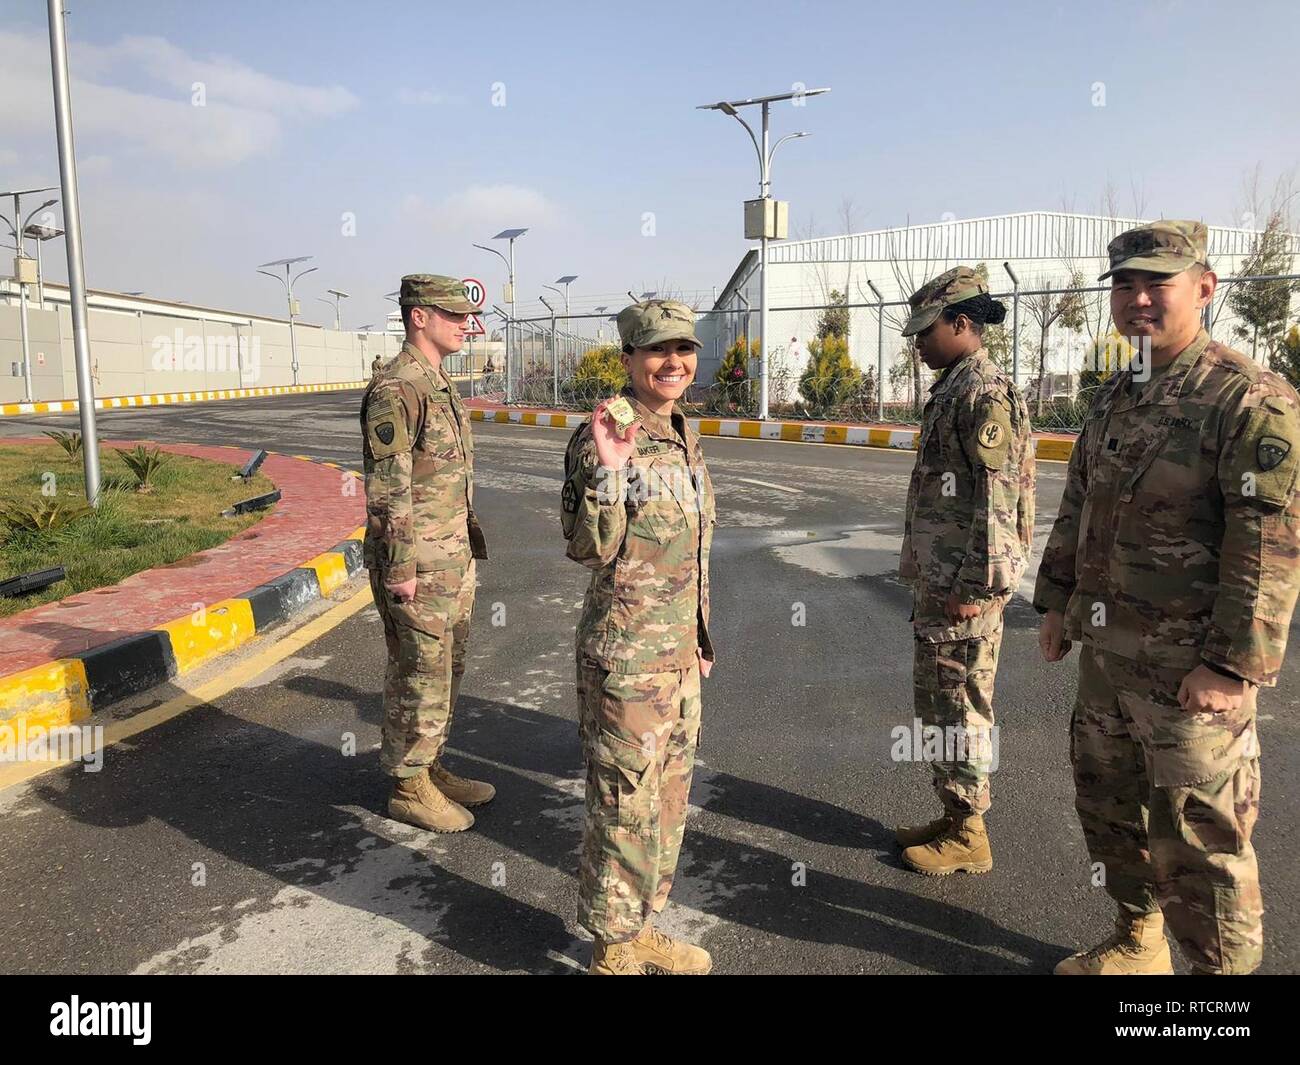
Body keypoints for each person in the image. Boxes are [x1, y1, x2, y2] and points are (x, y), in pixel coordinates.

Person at [1034, 221, 1300, 974]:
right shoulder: (1119, 394)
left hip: (1191, 673)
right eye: (1124, 283)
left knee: (1202, 843)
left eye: (1158, 282)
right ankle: (1137, 938)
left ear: (1205, 289)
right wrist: (1055, 601)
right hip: (1107, 657)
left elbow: (1271, 545)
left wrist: (1230, 665)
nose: (1138, 298)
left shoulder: (1248, 400)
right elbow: (1078, 501)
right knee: (1109, 809)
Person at [560, 299, 717, 975]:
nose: (673, 362)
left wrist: (701, 637)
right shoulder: (604, 433)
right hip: (627, 660)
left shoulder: (682, 430)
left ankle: (640, 926)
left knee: (667, 803)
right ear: (628, 358)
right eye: (657, 350)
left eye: (683, 349)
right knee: (624, 807)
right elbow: (590, 548)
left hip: (677, 657)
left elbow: (692, 546)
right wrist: (607, 469)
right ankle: (614, 951)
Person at [896, 266, 1035, 875]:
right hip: (945, 583)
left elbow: (999, 501)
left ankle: (969, 833)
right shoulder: (954, 385)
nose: (917, 341)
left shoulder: (982, 392)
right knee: (940, 701)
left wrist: (976, 588)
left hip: (963, 591)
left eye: (927, 330)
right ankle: (956, 816)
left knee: (961, 704)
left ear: (963, 324)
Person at [360, 274, 491, 833]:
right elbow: (388, 488)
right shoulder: (398, 389)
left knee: (445, 668)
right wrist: (400, 567)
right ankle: (408, 786)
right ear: (419, 317)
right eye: (455, 315)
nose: (467, 324)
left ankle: (429, 765)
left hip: (451, 556)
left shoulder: (437, 381)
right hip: (418, 562)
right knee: (419, 669)